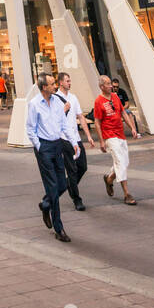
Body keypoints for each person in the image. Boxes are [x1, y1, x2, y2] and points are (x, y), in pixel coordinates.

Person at [26, 74, 71, 243]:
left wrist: (72, 141)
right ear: (44, 87)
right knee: (52, 187)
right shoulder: (35, 104)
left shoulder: (57, 102)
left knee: (63, 184)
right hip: (44, 148)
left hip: (57, 144)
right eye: (52, 84)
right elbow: (30, 128)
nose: (55, 86)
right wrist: (39, 146)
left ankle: (46, 204)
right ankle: (59, 228)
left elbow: (63, 123)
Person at [93, 74, 139, 205]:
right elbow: (97, 122)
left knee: (124, 162)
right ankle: (127, 194)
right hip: (109, 135)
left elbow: (123, 113)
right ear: (102, 87)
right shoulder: (98, 101)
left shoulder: (115, 97)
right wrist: (101, 141)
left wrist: (132, 127)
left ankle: (108, 179)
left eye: (110, 83)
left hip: (120, 134)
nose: (111, 86)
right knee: (120, 162)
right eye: (107, 84)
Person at [52, 72, 94, 211]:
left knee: (82, 167)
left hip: (76, 138)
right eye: (67, 81)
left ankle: (70, 184)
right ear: (60, 83)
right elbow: (54, 121)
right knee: (71, 169)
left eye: (70, 80)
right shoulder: (54, 99)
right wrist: (64, 110)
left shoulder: (73, 97)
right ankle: (77, 199)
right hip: (64, 139)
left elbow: (80, 117)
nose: (70, 83)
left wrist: (88, 135)